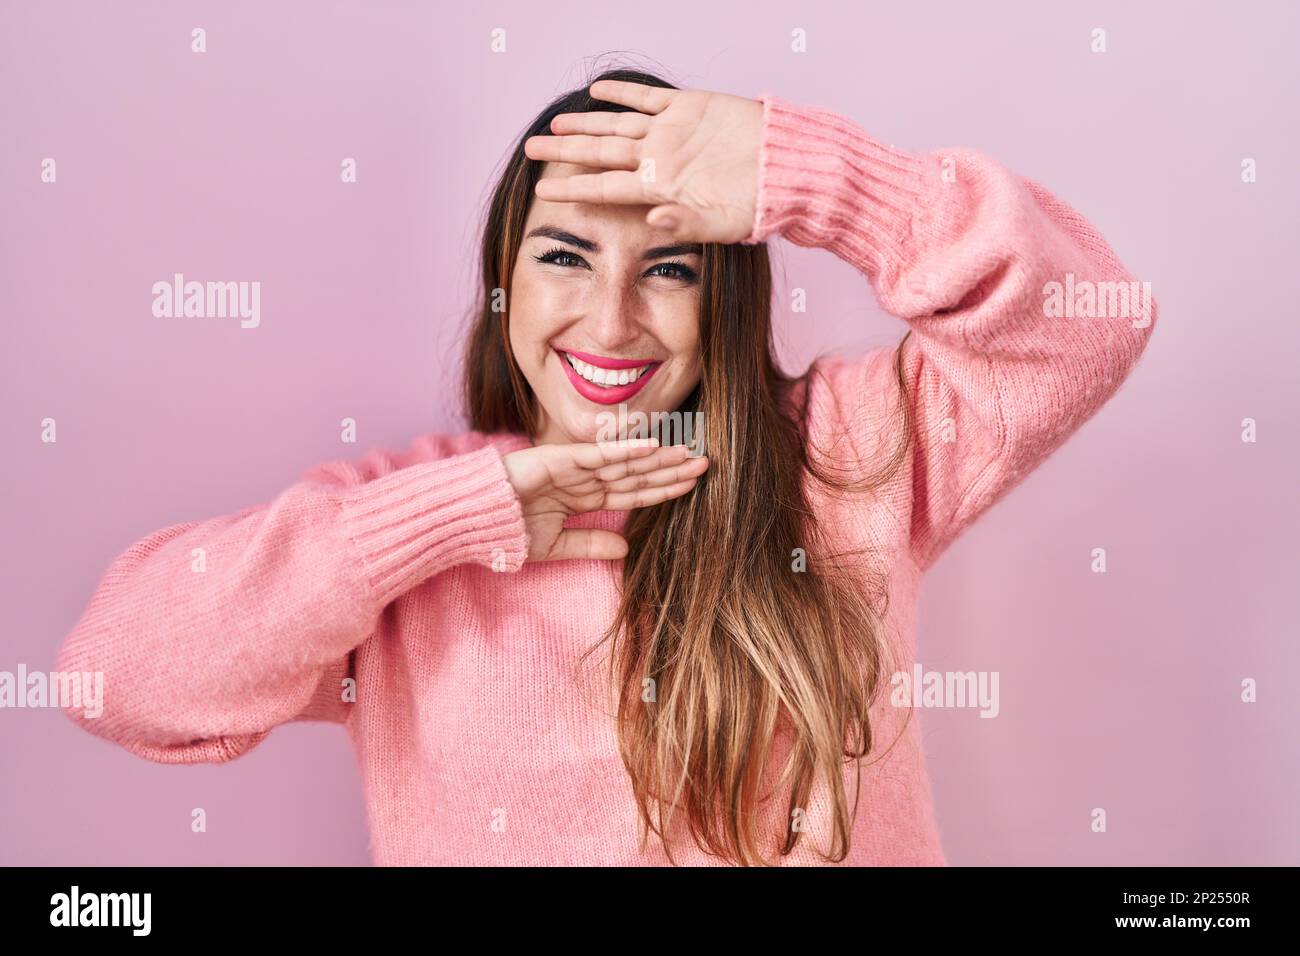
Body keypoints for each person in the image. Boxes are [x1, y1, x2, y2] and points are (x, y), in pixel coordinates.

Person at [54, 67, 1157, 866]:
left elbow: (1085, 326)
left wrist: (811, 176)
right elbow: (116, 678)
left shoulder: (845, 450)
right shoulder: (400, 522)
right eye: (564, 256)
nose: (611, 318)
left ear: (722, 294)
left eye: (667, 266)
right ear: (504, 281)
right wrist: (458, 514)